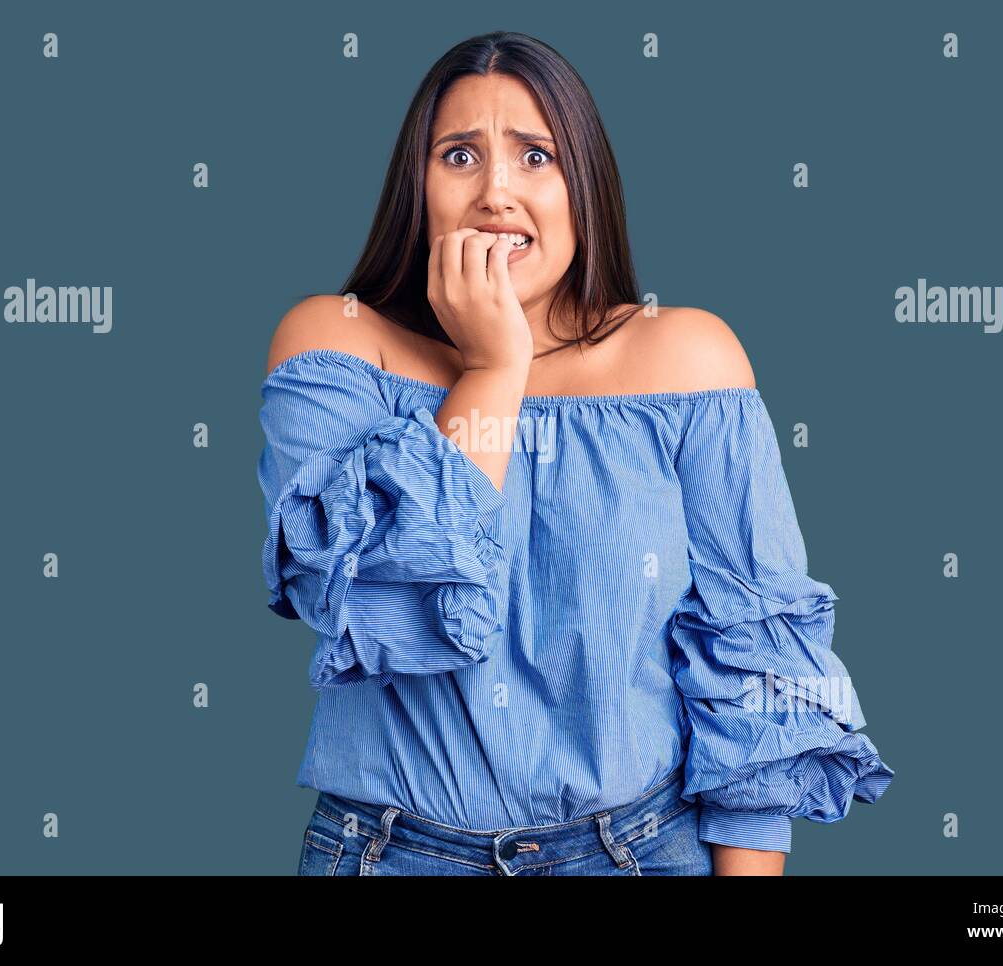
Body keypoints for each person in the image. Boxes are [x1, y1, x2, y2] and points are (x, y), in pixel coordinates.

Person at [258, 31, 894, 876]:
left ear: (582, 185)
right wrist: (494, 368)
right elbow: (383, 607)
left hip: (640, 852)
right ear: (418, 189)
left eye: (536, 156)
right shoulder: (335, 345)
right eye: (458, 156)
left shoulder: (687, 360)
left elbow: (757, 657)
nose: (496, 192)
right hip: (389, 853)